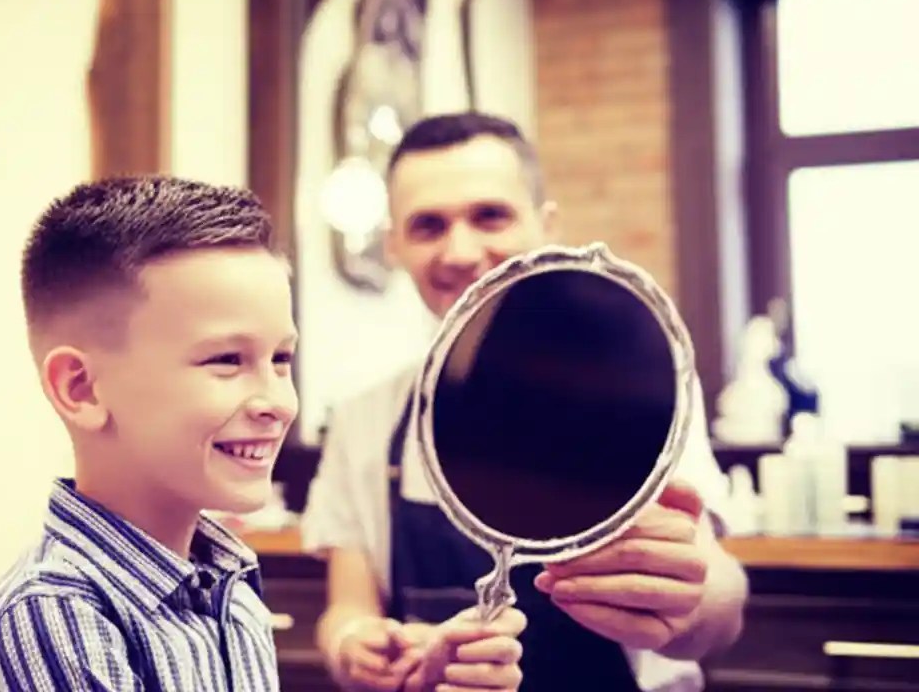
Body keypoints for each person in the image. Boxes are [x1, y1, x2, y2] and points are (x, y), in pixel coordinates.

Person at [0, 175, 525, 691]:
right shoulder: (58, 618)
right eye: (227, 360)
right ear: (82, 389)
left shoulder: (228, 588)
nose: (277, 402)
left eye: (281, 359)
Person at [302, 113, 749, 692]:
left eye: (490, 215)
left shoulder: (634, 390)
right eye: (428, 225)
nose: (461, 251)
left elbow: (722, 610)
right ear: (394, 246)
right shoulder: (365, 420)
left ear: (546, 226)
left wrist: (692, 597)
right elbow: (348, 606)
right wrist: (352, 646)